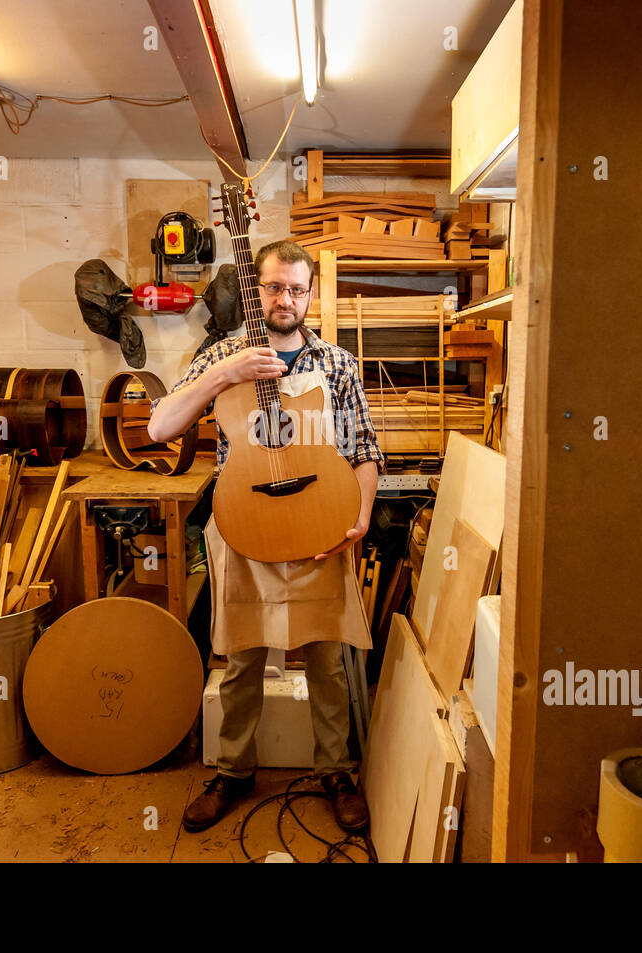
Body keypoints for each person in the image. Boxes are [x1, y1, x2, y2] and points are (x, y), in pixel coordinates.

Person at [148, 239, 384, 834]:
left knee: (327, 657)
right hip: (245, 521)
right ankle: (233, 770)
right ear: (257, 290)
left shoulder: (337, 364)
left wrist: (359, 517)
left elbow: (364, 451)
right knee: (243, 657)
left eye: (297, 289)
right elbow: (159, 426)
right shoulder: (222, 354)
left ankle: (335, 768)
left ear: (311, 294)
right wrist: (227, 373)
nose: (286, 299)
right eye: (275, 287)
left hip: (320, 524)